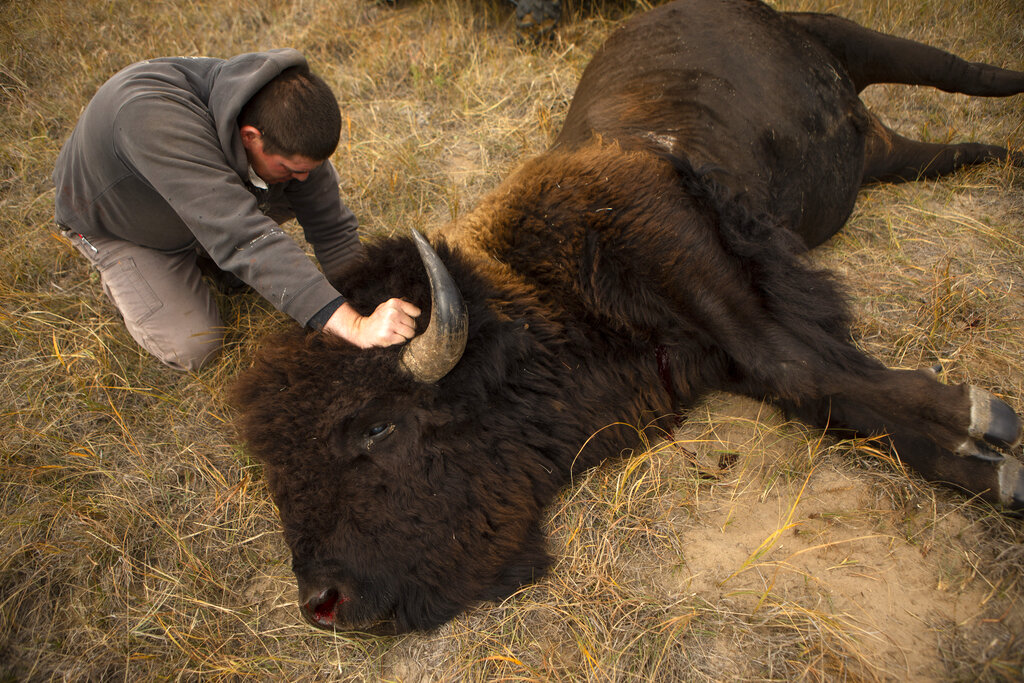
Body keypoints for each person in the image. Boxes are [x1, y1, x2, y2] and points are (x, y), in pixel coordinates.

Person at [52, 49, 419, 371]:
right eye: (292, 169)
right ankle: (128, 274)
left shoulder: (285, 118)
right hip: (125, 225)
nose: (303, 178)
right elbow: (245, 238)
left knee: (296, 188)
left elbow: (332, 229)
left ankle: (210, 254)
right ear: (249, 137)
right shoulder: (153, 122)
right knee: (194, 345)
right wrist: (352, 327)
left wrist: (366, 302)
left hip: (207, 202)